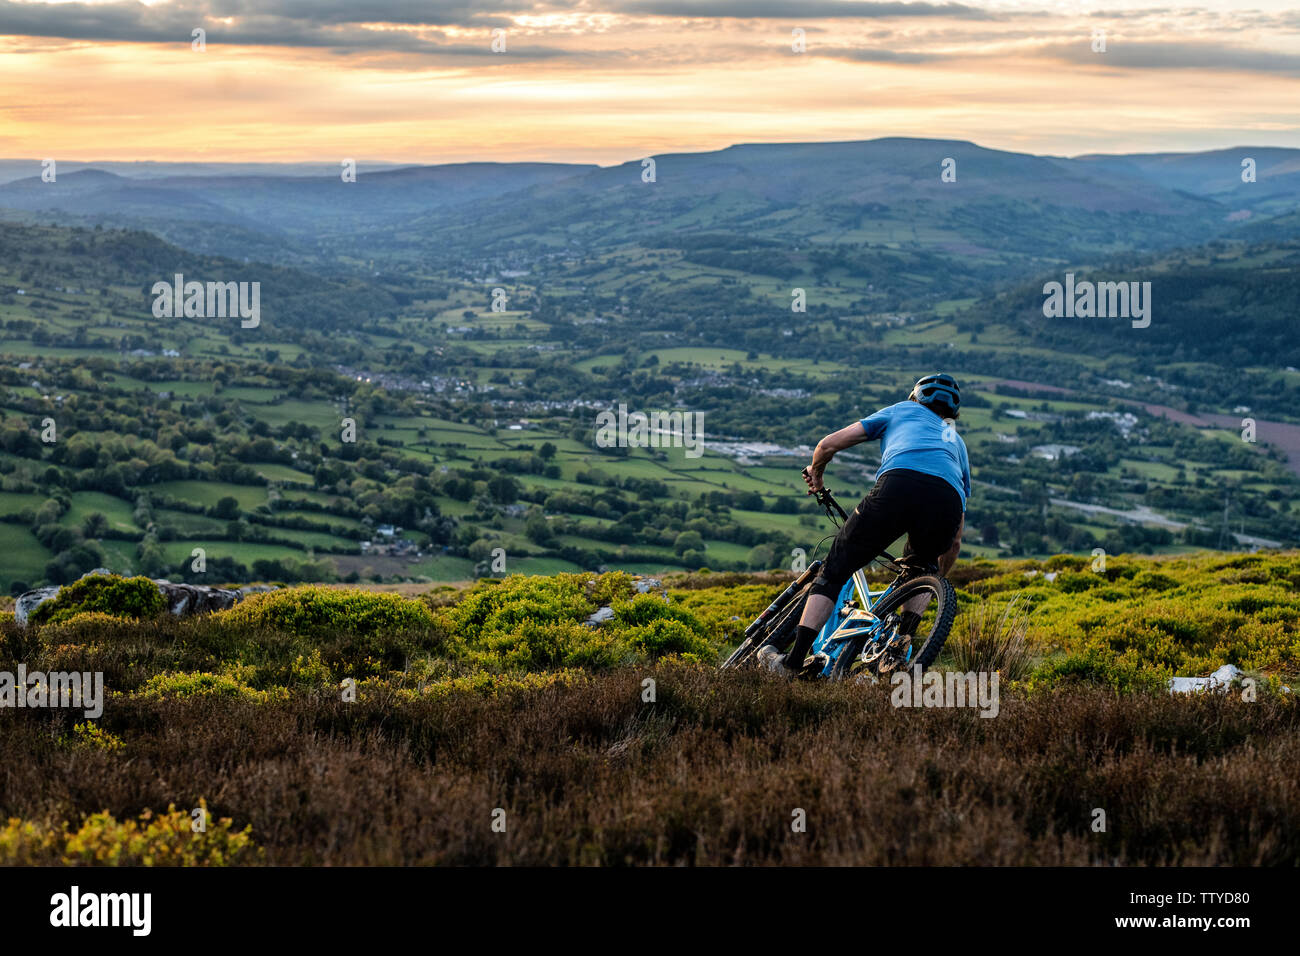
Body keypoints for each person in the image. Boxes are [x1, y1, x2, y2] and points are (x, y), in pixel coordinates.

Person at [759, 373, 971, 675]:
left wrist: (817, 476)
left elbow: (828, 444)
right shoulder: (958, 443)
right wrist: (934, 578)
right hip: (946, 501)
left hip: (899, 485)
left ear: (916, 397)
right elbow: (957, 539)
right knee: (920, 569)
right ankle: (897, 649)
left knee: (834, 571)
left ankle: (792, 663)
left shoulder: (902, 410)